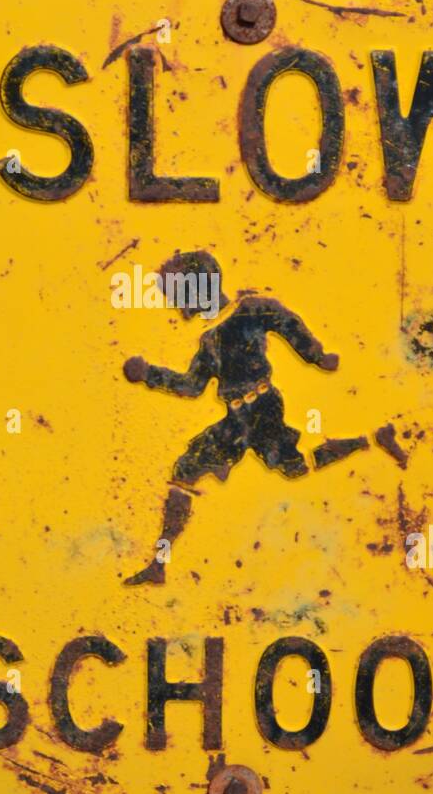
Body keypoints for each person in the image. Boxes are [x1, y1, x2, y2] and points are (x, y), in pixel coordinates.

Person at [123, 250, 339, 586]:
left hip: (264, 409)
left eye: (179, 297)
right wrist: (149, 374)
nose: (179, 309)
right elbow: (192, 386)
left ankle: (368, 441)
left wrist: (317, 355)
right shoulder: (209, 339)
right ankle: (159, 564)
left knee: (300, 467)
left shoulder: (251, 310)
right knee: (186, 469)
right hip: (236, 420)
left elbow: (285, 320)